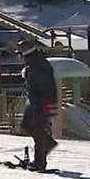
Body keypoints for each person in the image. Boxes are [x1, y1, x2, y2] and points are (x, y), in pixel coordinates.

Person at [17, 39, 57, 171]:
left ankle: (40, 162)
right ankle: (48, 143)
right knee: (26, 125)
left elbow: (41, 86)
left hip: (43, 101)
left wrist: (39, 105)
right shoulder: (33, 63)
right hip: (36, 101)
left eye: (20, 53)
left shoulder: (37, 65)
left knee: (38, 128)